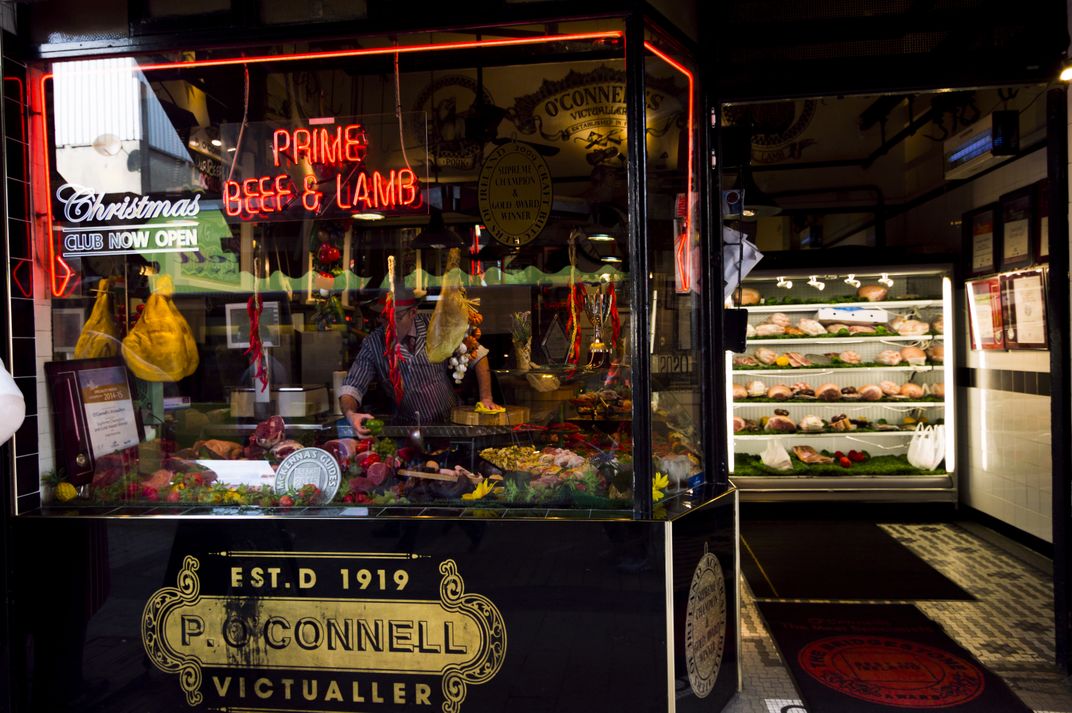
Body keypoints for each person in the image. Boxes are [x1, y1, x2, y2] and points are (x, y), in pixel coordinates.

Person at [338, 290, 499, 435]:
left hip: (450, 423)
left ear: (413, 312)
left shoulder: (435, 328)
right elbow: (352, 386)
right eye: (385, 318)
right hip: (408, 430)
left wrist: (486, 398)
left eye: (397, 318)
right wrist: (351, 414)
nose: (390, 326)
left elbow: (478, 355)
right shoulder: (373, 343)